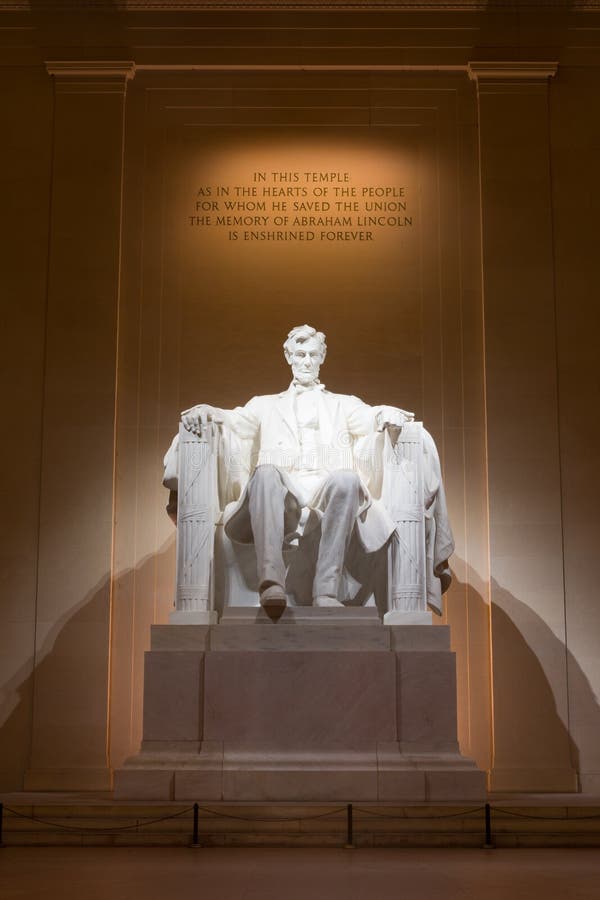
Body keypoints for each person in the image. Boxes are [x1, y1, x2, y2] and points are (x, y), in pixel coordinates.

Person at [172, 324, 453, 613]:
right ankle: (271, 582)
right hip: (282, 495)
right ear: (289, 357)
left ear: (322, 359)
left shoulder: (343, 404)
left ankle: (326, 589)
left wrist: (386, 412)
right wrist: (210, 412)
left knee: (347, 479)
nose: (306, 361)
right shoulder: (264, 405)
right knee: (266, 471)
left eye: (313, 355)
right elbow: (235, 420)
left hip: (325, 491)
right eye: (301, 354)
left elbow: (369, 416)